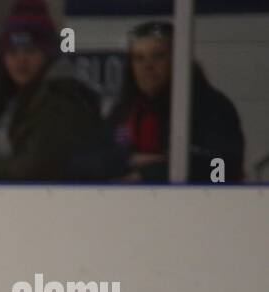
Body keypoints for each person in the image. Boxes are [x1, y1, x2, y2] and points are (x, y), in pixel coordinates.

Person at [102, 20, 245, 183]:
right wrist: (128, 160)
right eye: (139, 58)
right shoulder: (124, 111)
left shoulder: (212, 109)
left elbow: (223, 166)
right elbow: (85, 162)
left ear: (178, 60)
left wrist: (150, 174)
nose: (148, 67)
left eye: (158, 56)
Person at [0, 0, 102, 181]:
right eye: (12, 53)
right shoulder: (10, 97)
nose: (21, 62)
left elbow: (34, 168)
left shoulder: (62, 100)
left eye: (30, 51)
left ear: (48, 54)